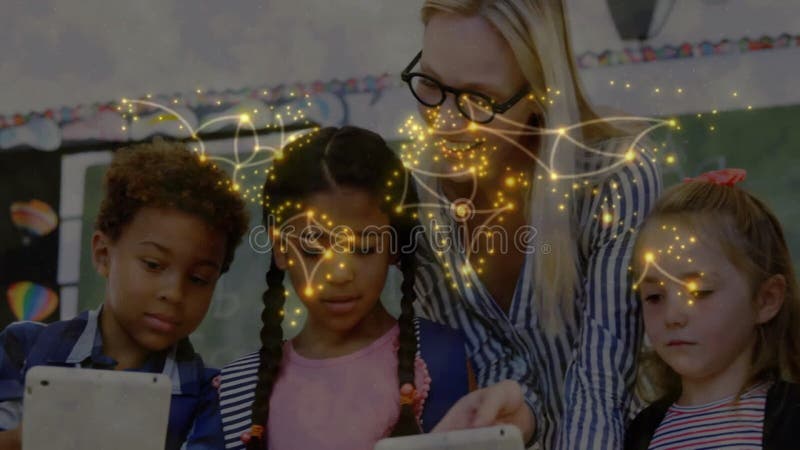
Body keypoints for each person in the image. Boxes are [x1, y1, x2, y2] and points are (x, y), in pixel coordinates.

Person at [402, 0, 663, 447]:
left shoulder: (614, 178)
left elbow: (603, 382)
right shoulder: (420, 198)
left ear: (539, 92)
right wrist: (522, 410)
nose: (443, 122)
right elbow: (488, 370)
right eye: (430, 84)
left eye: (477, 100)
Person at [218, 126, 471, 450]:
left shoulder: (442, 358)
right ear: (280, 249)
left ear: (394, 246)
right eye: (312, 249)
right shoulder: (239, 389)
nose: (338, 273)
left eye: (363, 248)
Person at [0, 139, 249, 450]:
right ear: (103, 254)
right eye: (153, 264)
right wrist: (20, 440)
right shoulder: (21, 349)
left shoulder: (211, 400)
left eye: (199, 279)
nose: (174, 293)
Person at [625, 169, 800, 449]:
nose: (673, 316)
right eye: (655, 296)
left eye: (699, 292)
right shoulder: (639, 433)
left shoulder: (792, 419)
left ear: (766, 299)